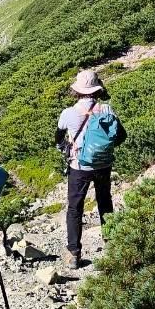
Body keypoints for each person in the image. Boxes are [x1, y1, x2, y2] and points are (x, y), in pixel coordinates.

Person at [54, 69, 124, 269]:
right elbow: (121, 136)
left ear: (78, 91)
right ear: (97, 89)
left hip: (79, 166)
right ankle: (112, 245)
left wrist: (65, 147)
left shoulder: (68, 113)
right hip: (103, 165)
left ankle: (74, 254)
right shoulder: (107, 109)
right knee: (105, 203)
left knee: (75, 208)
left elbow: (58, 138)